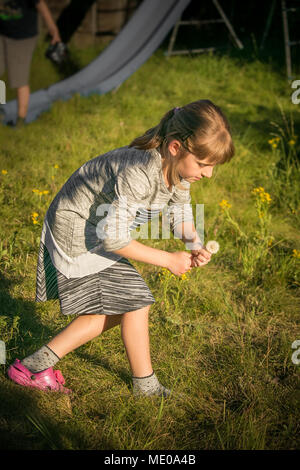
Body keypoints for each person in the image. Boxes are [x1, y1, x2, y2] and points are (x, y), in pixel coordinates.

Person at [7, 99, 235, 397]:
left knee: (124, 305)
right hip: (76, 233)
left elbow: (179, 212)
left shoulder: (177, 171)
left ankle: (34, 366)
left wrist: (194, 244)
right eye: (204, 165)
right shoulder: (140, 171)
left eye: (212, 167)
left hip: (98, 233)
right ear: (176, 147)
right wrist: (167, 259)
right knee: (136, 302)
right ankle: (146, 387)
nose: (208, 174)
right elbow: (112, 238)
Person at [0, 0, 61, 126]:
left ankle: (21, 120)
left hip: (23, 37)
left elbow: (40, 4)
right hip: (2, 33)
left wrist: (52, 28)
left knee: (19, 78)